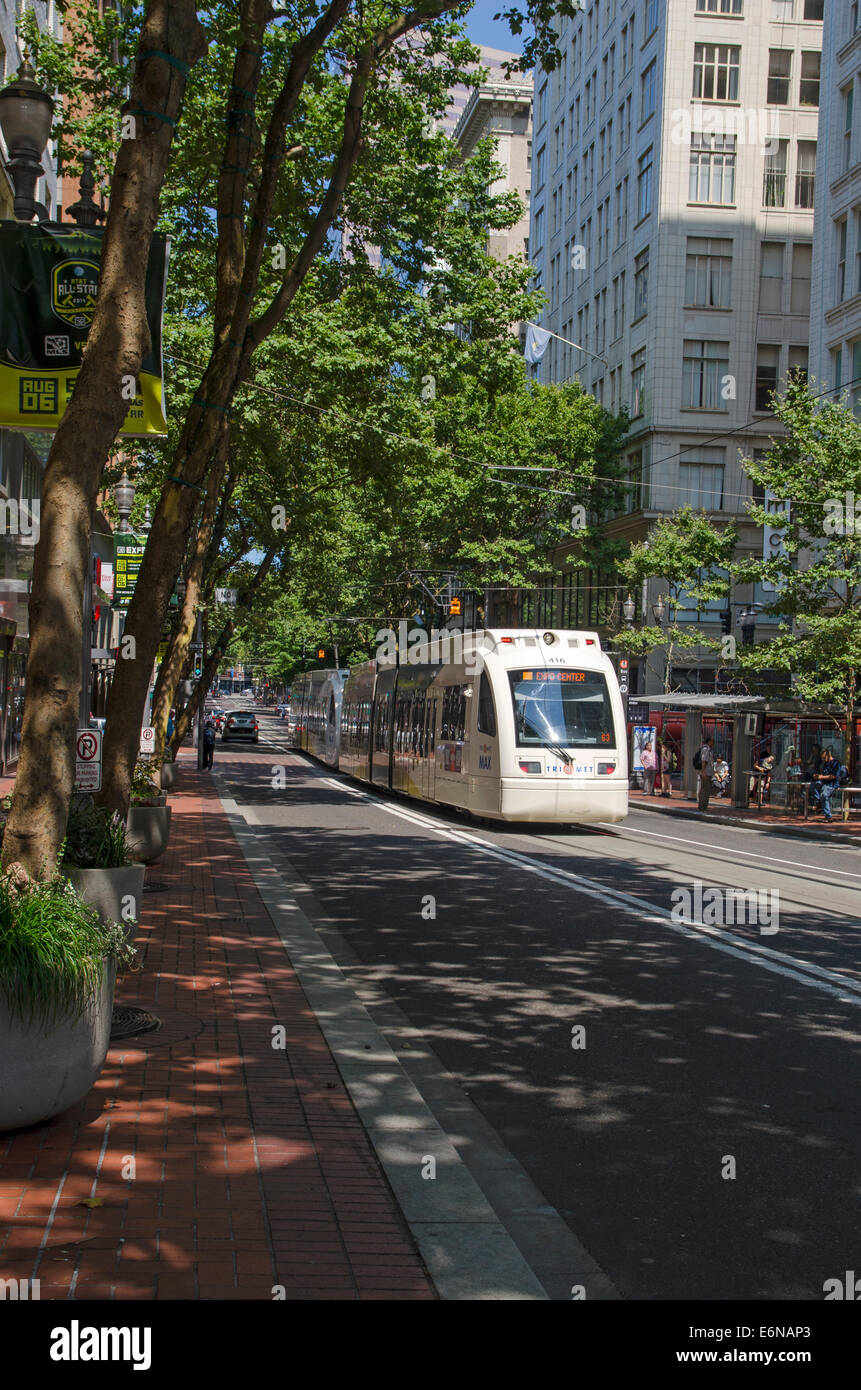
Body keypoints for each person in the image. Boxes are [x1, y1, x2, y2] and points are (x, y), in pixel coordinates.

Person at [811, 746, 841, 822]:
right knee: (813, 786)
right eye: (822, 758)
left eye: (824, 758)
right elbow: (823, 774)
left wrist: (822, 777)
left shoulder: (836, 763)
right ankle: (819, 803)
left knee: (824, 795)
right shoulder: (825, 763)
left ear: (828, 755)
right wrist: (817, 776)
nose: (823, 760)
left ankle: (828, 816)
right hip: (823, 781)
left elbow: (833, 776)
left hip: (831, 784)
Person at [696, 735, 715, 811]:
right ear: (709, 741)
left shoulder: (706, 749)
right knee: (705, 790)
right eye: (713, 741)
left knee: (704, 789)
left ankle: (702, 806)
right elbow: (704, 761)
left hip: (706, 772)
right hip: (706, 773)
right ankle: (703, 806)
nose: (713, 743)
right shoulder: (706, 749)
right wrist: (703, 772)